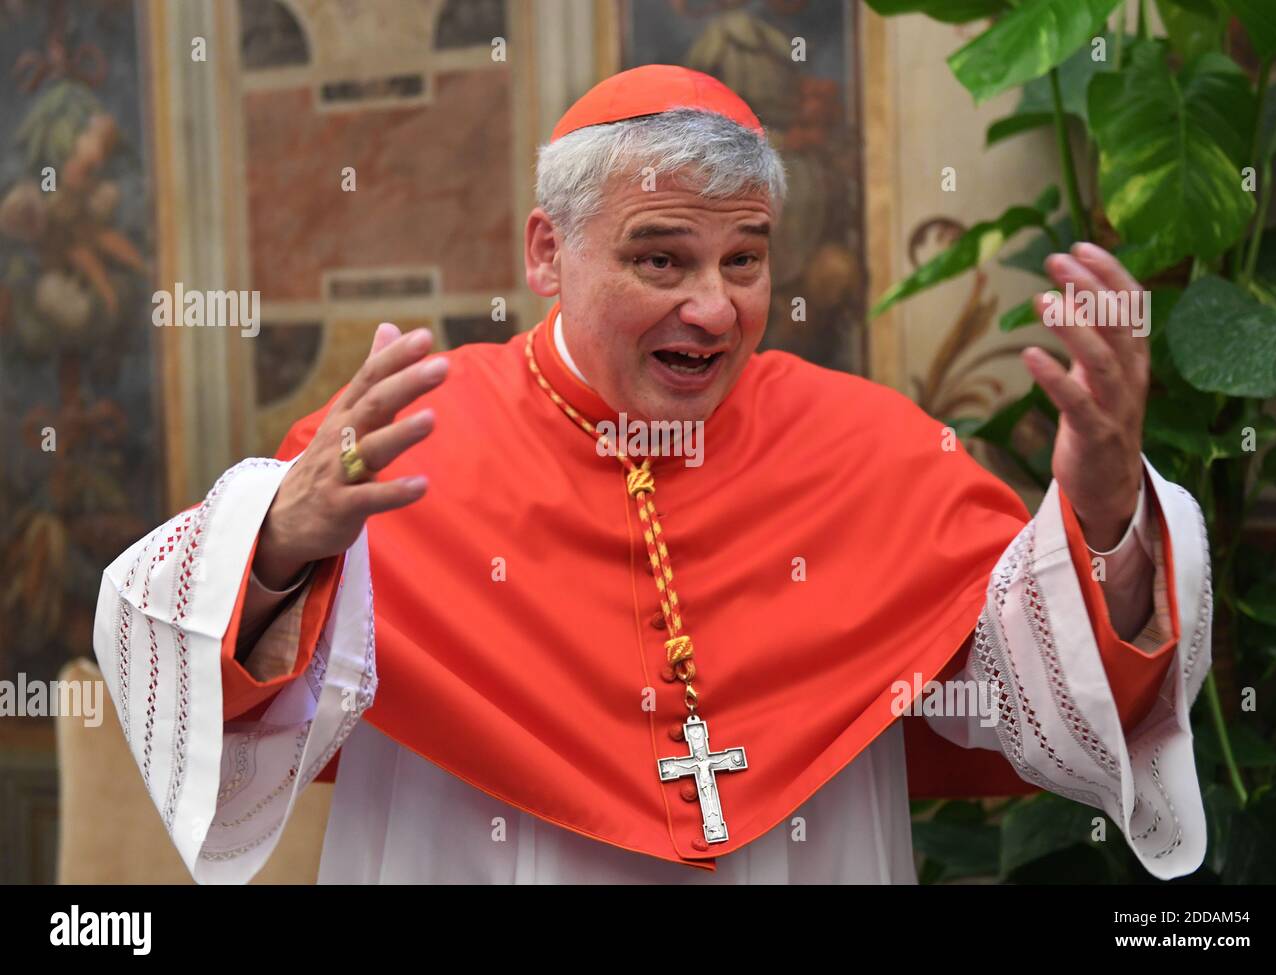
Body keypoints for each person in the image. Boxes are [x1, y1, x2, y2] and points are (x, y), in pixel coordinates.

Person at [93, 65, 1210, 884]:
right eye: (660, 258)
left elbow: (1044, 698)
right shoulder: (407, 442)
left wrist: (1107, 513)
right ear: (548, 253)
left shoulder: (870, 448)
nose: (713, 308)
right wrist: (280, 546)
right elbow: (176, 661)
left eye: (744, 259)